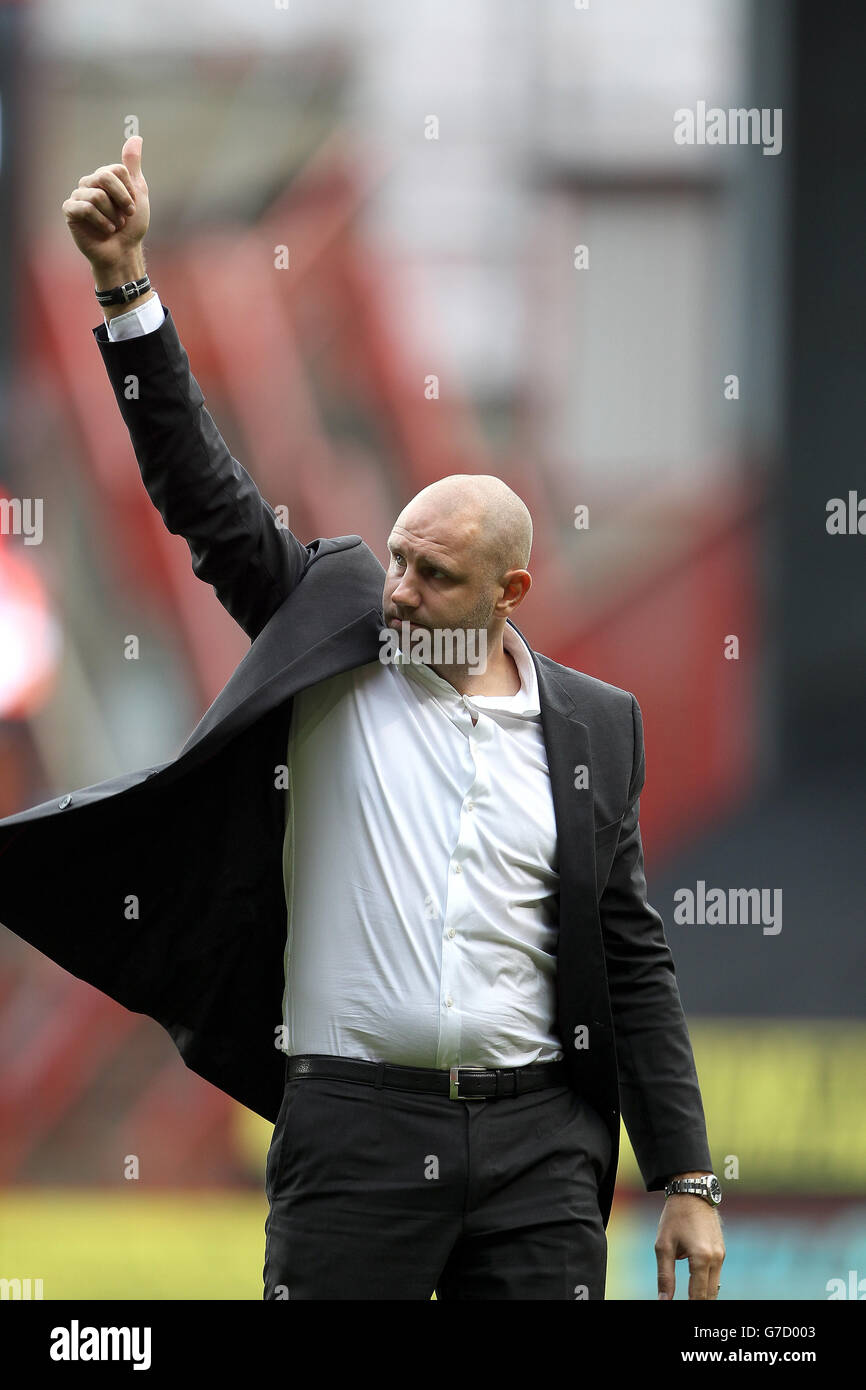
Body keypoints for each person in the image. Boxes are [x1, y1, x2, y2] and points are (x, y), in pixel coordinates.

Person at [0, 136, 725, 1301]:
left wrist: (687, 1175)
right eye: (395, 558)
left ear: (509, 594)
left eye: (433, 574)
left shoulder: (595, 728)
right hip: (354, 1130)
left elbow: (632, 962)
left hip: (538, 1144)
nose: (398, 589)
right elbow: (203, 492)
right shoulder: (335, 628)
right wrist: (126, 287)